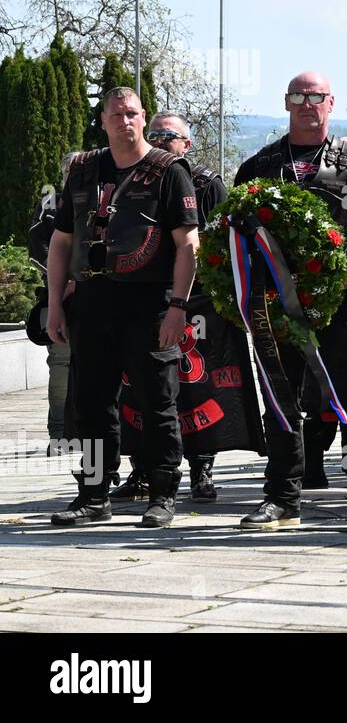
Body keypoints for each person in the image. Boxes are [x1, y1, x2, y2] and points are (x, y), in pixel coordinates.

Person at [234, 72, 347, 533]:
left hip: (338, 302)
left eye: (316, 97)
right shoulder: (260, 165)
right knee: (281, 400)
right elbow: (230, 236)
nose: (308, 104)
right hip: (275, 305)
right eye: (298, 97)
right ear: (286, 103)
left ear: (331, 103)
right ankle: (281, 499)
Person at [45, 87, 199, 527]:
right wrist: (55, 305)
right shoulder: (82, 171)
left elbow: (187, 244)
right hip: (92, 302)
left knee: (157, 401)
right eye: (117, 114)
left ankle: (163, 492)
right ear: (104, 119)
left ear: (143, 116)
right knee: (91, 403)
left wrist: (178, 307)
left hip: (149, 303)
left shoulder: (169, 171)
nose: (125, 121)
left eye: (132, 113)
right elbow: (61, 243)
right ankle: (93, 495)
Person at [118, 111, 227, 504]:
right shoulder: (135, 175)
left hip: (197, 299)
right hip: (149, 297)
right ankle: (143, 471)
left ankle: (202, 470)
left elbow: (221, 239)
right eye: (157, 134)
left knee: (197, 387)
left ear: (188, 143)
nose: (163, 140)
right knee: (142, 389)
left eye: (171, 135)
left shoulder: (206, 183)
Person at [28, 154, 76, 454]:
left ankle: (100, 434)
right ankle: (59, 433)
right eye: (72, 169)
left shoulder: (104, 198)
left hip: (100, 298)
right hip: (59, 299)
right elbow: (37, 248)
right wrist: (64, 279)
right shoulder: (51, 203)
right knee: (61, 365)